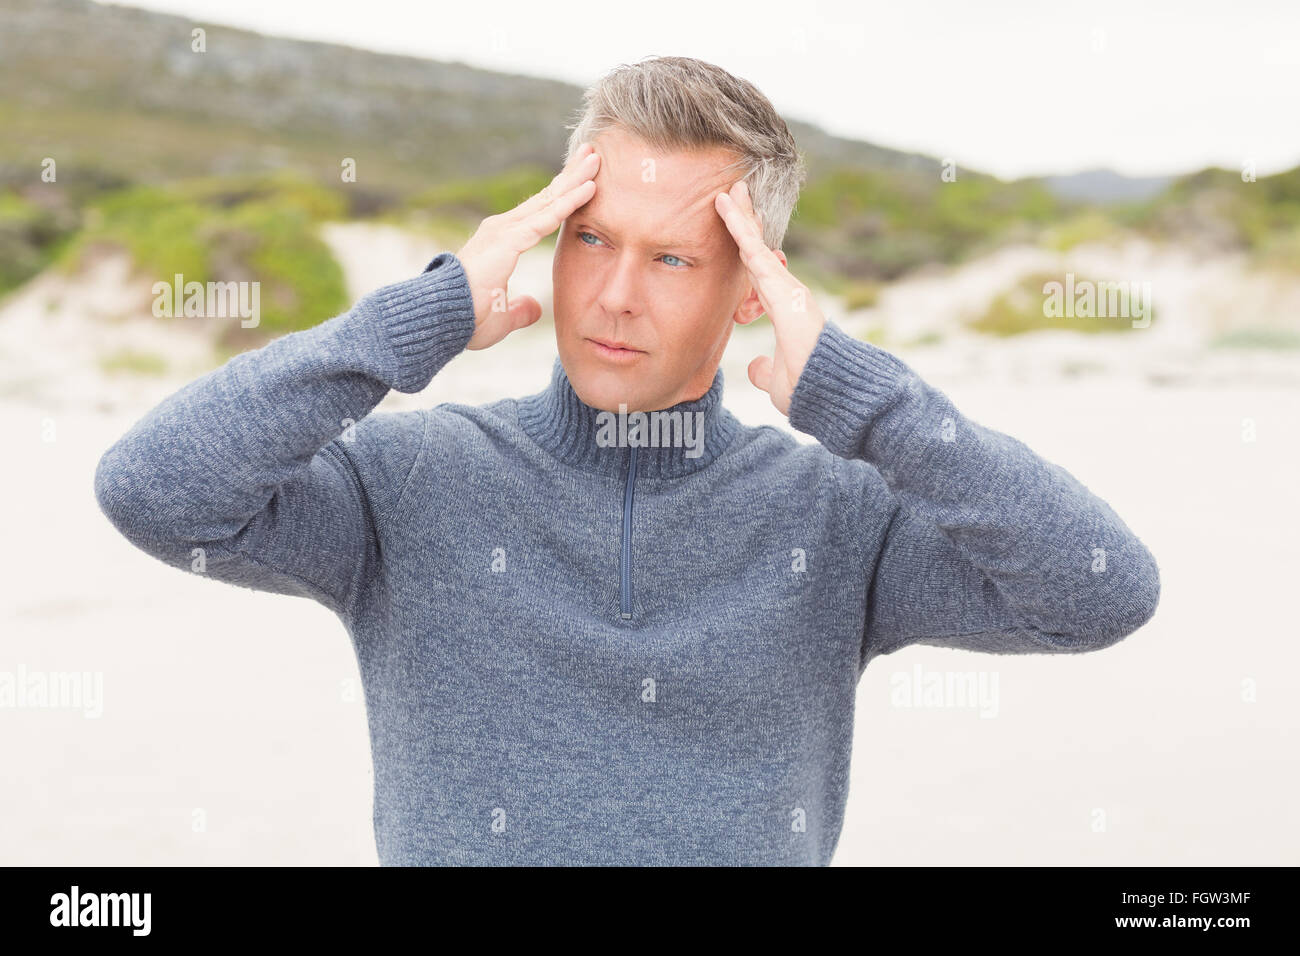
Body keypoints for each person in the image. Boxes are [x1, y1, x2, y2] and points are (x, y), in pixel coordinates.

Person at [94, 56, 1160, 866]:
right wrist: (415, 319)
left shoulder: (837, 518)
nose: (612, 295)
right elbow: (153, 490)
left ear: (751, 292)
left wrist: (870, 402)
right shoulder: (409, 483)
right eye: (591, 238)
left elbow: (1102, 591)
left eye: (671, 258)